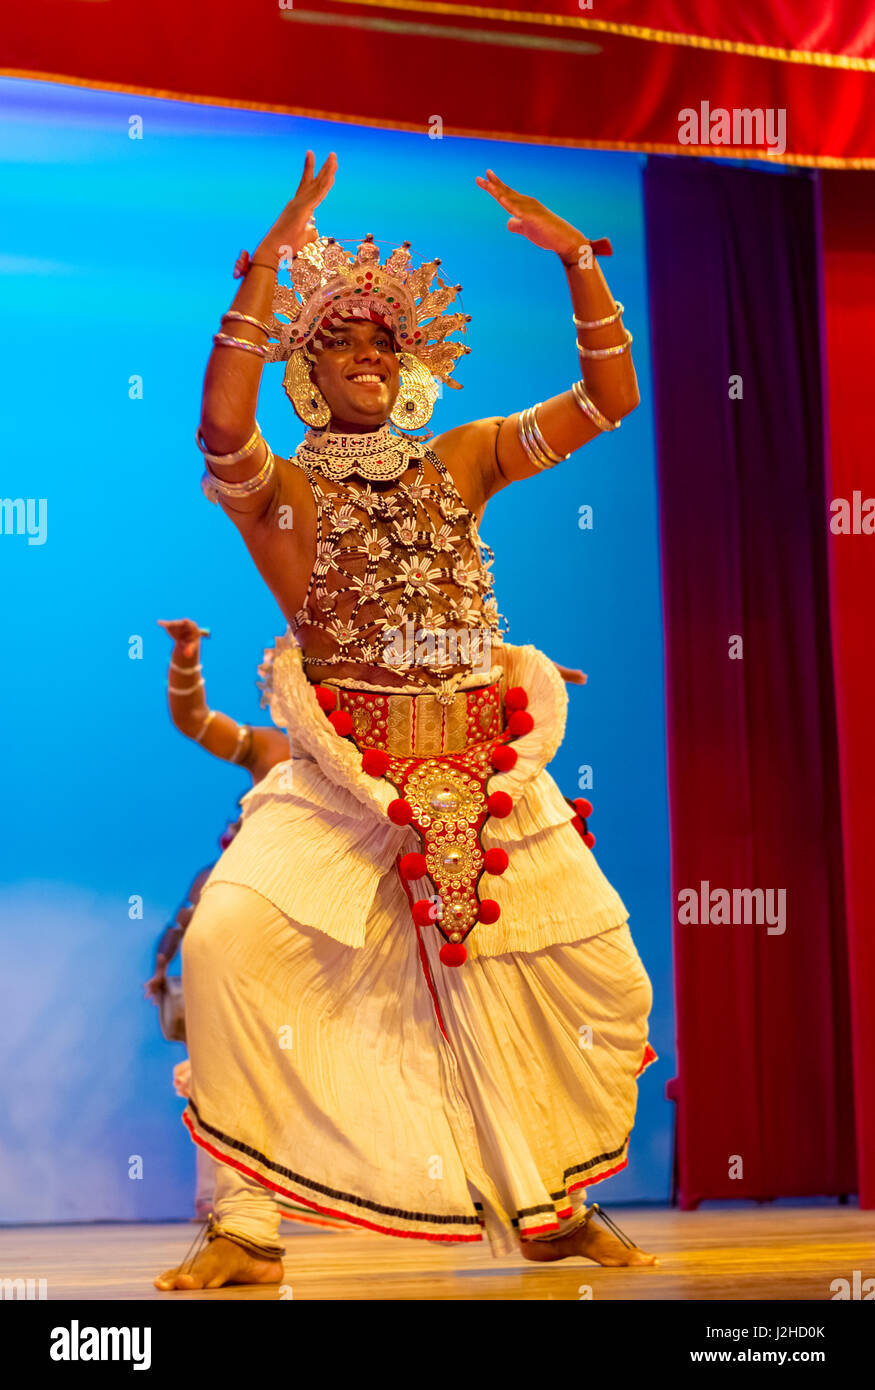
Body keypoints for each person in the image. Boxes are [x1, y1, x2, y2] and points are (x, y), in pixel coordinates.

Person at [156, 152, 656, 1291]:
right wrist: (272, 266)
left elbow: (604, 402)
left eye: (387, 341)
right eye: (341, 340)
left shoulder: (458, 458)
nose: (370, 356)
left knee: (588, 977)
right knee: (228, 944)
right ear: (306, 371)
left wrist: (579, 263)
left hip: (483, 764)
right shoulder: (283, 493)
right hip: (342, 774)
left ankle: (549, 1203)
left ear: (411, 365)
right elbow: (218, 429)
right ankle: (243, 1227)